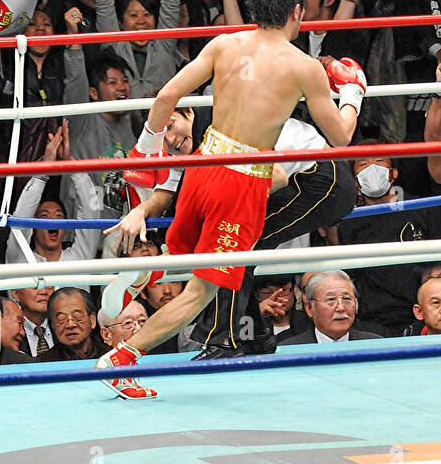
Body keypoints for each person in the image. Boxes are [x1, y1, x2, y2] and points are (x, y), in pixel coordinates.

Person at [94, 0, 364, 398]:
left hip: (203, 166)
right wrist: (353, 93)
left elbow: (165, 97)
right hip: (241, 184)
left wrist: (146, 151)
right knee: (201, 291)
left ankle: (147, 272)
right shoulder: (303, 67)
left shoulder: (224, 44)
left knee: (183, 254)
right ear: (297, 12)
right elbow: (341, 135)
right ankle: (120, 359)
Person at [102, 104, 358, 360]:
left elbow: (277, 176)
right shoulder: (181, 147)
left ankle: (224, 340)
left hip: (319, 178)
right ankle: (255, 336)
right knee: (229, 245)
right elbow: (164, 194)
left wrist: (225, 210)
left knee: (232, 245)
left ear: (188, 112)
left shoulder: (224, 128)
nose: (170, 139)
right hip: (289, 186)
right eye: (160, 137)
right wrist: (139, 211)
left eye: (169, 125)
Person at [277, 271, 382, 345]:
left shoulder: (375, 344)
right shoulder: (289, 348)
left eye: (346, 299)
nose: (341, 308)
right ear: (309, 308)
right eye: (331, 299)